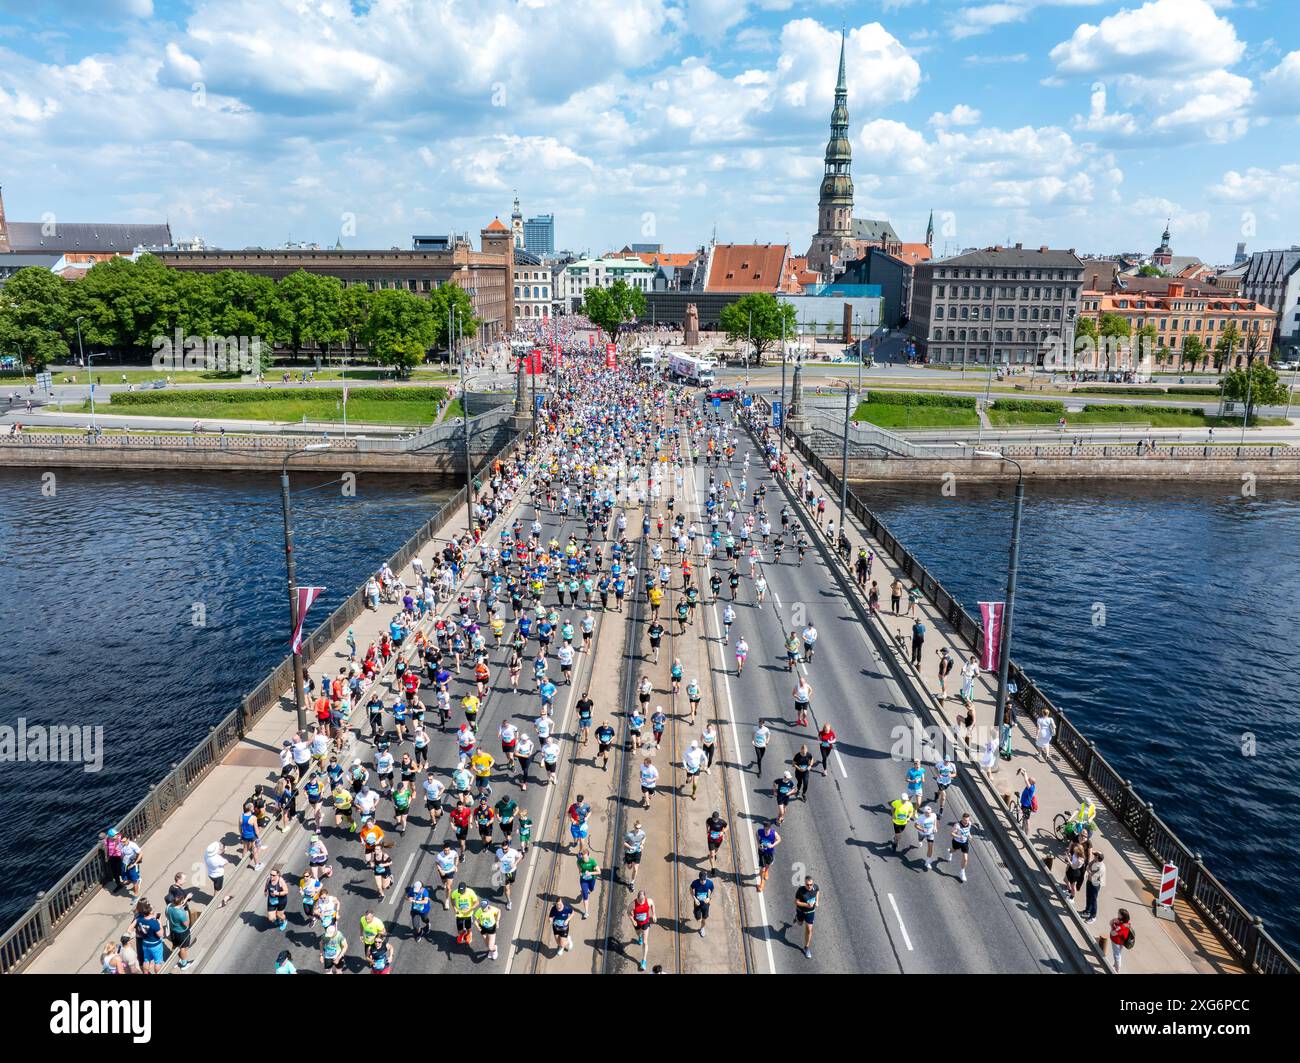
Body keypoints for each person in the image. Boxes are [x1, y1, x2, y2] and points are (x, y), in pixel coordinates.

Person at [794, 875, 819, 959]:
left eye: (811, 884)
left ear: (813, 884)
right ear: (805, 884)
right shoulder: (800, 890)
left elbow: (818, 892)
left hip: (810, 912)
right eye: (807, 884)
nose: (809, 886)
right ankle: (796, 918)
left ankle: (806, 948)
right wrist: (806, 904)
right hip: (801, 911)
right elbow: (796, 902)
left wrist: (817, 901)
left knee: (809, 929)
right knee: (799, 923)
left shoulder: (815, 888)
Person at [628, 891, 655, 971]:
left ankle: (643, 961)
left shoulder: (649, 901)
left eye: (642, 900)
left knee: (645, 942)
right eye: (639, 900)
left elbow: (652, 905)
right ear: (637, 898)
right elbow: (628, 912)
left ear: (644, 898)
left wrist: (654, 914)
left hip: (645, 923)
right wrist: (633, 920)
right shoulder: (633, 904)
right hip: (637, 923)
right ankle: (639, 937)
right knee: (638, 933)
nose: (640, 902)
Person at [946, 812, 975, 883]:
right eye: (965, 820)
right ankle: (950, 852)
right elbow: (951, 833)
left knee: (965, 859)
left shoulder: (969, 824)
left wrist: (970, 836)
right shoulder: (957, 825)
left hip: (964, 843)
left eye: (967, 820)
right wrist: (959, 836)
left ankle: (962, 872)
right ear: (962, 819)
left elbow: (968, 831)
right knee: (953, 850)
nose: (966, 822)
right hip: (957, 841)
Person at [755, 821, 780, 893]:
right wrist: (758, 844)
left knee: (768, 864)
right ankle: (762, 883)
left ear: (770, 828)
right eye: (765, 829)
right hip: (762, 852)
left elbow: (779, 839)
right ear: (763, 827)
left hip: (770, 852)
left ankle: (766, 871)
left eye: (767, 829)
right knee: (762, 868)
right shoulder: (760, 831)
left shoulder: (773, 833)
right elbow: (756, 834)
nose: (766, 830)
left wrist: (772, 845)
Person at [690, 870, 715, 938]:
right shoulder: (695, 883)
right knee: (698, 919)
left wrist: (709, 898)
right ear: (699, 878)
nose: (703, 881)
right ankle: (695, 913)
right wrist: (694, 898)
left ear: (706, 878)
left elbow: (713, 891)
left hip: (705, 904)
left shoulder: (709, 883)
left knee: (704, 919)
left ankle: (702, 928)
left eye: (704, 879)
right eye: (701, 880)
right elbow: (690, 889)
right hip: (697, 904)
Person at [622, 820, 646, 891]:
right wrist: (630, 847)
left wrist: (642, 844)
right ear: (634, 827)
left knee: (635, 869)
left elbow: (644, 838)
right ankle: (626, 860)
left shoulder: (642, 833)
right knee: (629, 867)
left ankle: (632, 883)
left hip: (638, 852)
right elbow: (624, 843)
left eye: (640, 828)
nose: (638, 829)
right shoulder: (629, 835)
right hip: (629, 852)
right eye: (637, 828)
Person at [1108, 907, 1134, 972]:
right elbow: (1110, 923)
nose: (1117, 914)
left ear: (1122, 916)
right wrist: (1113, 920)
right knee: (1118, 953)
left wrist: (1112, 927)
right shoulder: (1124, 922)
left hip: (1116, 942)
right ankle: (1116, 964)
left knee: (1116, 955)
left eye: (1119, 913)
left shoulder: (1122, 926)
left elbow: (1113, 933)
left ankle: (1117, 969)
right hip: (1120, 941)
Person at [577, 850, 600, 919]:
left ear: (588, 856)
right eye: (583, 858)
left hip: (591, 879)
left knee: (591, 889)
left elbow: (599, 872)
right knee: (585, 894)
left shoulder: (592, 861)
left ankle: (588, 890)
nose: (584, 859)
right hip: (583, 880)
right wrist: (580, 872)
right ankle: (586, 912)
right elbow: (579, 869)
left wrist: (590, 873)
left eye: (585, 858)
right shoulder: (579, 861)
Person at [1083, 852, 1105, 923]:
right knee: (1088, 896)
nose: (1094, 856)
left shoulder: (1100, 867)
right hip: (1090, 881)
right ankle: (1087, 911)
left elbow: (1090, 873)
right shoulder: (1094, 861)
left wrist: (1087, 869)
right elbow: (1088, 865)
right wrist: (1088, 867)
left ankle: (1093, 916)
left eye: (1095, 856)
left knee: (1093, 900)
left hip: (1095, 884)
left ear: (1098, 858)